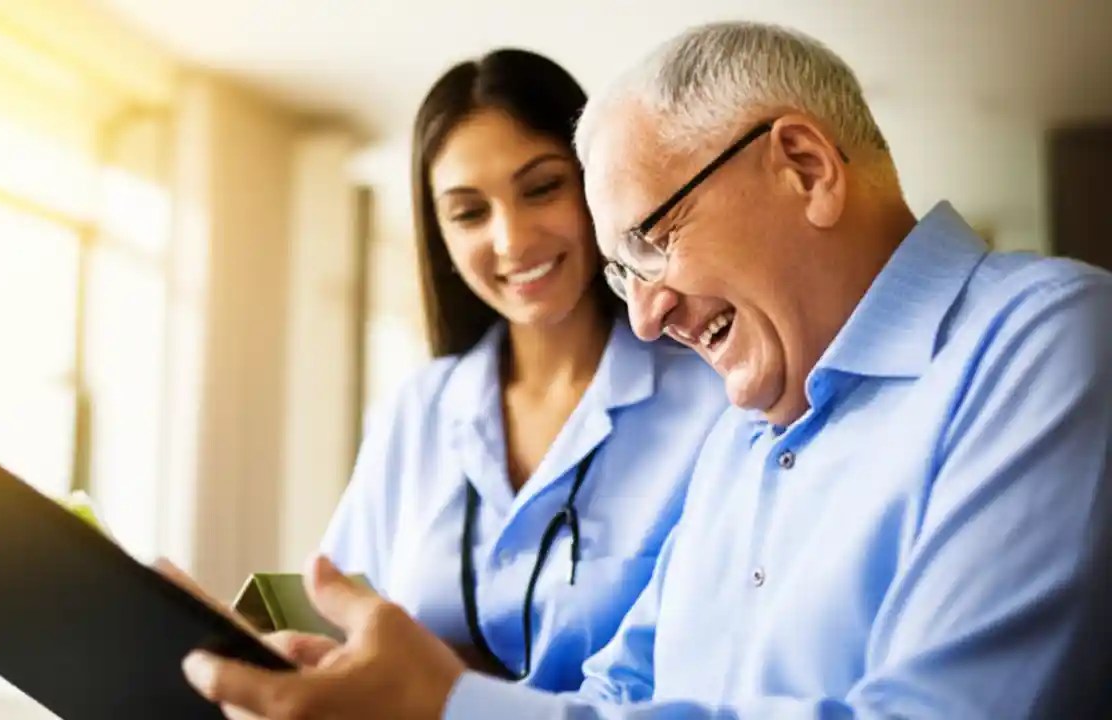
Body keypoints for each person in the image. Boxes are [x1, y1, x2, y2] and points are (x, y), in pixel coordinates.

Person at [180, 21, 1112, 719]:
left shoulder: (1049, 344)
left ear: (803, 166)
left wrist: (451, 706)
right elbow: (613, 700)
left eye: (653, 243)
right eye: (623, 270)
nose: (647, 313)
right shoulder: (745, 440)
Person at [302, 48, 728, 691]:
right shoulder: (417, 410)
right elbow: (337, 621)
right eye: (470, 212)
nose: (511, 240)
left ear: (596, 189)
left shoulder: (713, 396)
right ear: (439, 234)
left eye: (541, 188)